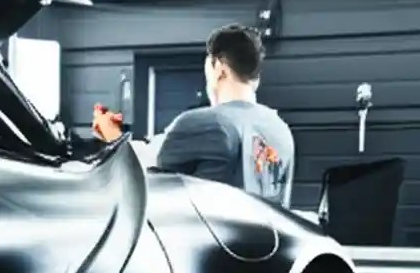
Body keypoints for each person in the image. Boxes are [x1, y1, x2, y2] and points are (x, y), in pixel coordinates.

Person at [93, 24, 296, 209]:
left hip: (213, 247)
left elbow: (143, 162)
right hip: (270, 247)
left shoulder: (207, 122)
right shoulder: (280, 130)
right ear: (256, 79)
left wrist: (113, 136)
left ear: (218, 68)